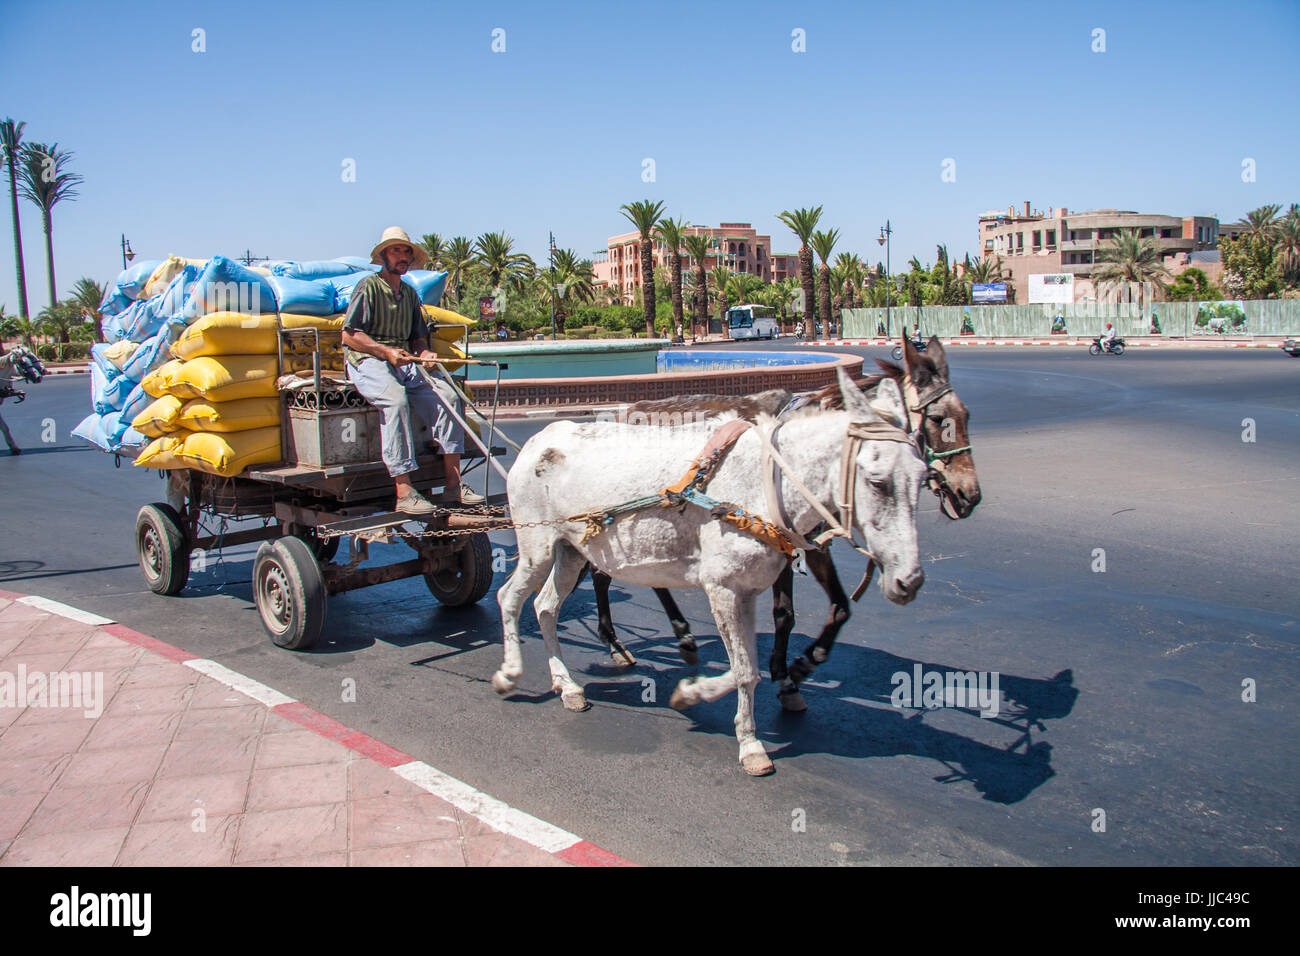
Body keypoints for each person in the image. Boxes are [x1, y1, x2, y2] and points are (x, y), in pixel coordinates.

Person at [341, 226, 484, 515]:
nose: (402, 256)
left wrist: (425, 353)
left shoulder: (409, 293)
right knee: (395, 400)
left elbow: (417, 337)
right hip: (367, 360)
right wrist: (385, 352)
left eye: (406, 251)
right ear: (383, 256)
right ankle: (404, 489)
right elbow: (349, 335)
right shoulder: (368, 287)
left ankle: (453, 483)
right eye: (396, 250)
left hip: (404, 360)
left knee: (449, 397)